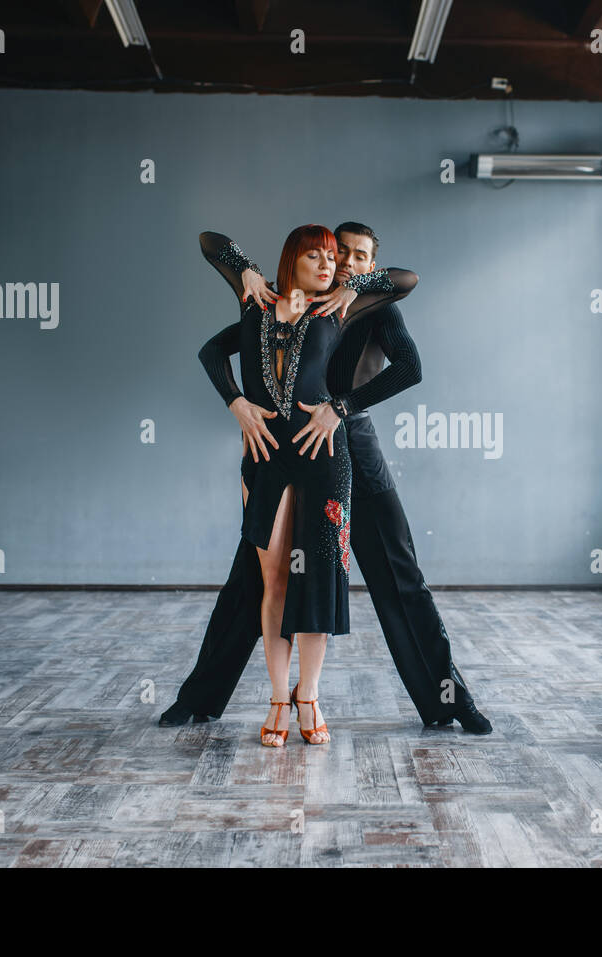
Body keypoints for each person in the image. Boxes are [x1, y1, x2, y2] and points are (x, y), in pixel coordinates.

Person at [162, 223, 490, 734]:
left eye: (363, 258)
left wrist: (343, 401)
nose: (350, 264)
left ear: (371, 265)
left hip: (351, 445)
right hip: (291, 452)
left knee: (400, 576)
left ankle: (448, 699)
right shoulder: (298, 301)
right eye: (345, 256)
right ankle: (201, 698)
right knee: (253, 583)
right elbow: (229, 336)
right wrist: (246, 274)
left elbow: (409, 365)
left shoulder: (375, 305)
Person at [193, 224, 416, 746]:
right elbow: (209, 246)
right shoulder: (255, 304)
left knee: (317, 577)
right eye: (316, 256)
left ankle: (309, 696)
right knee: (273, 581)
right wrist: (236, 401)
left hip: (323, 456)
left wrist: (357, 285)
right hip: (265, 457)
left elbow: (407, 280)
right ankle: (276, 699)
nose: (327, 265)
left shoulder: (337, 308)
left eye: (333, 257)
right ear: (292, 258)